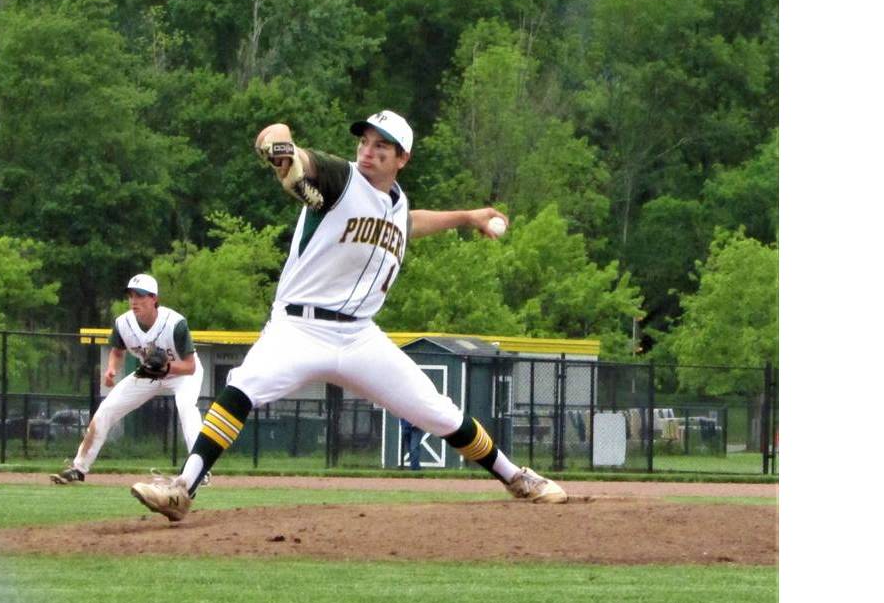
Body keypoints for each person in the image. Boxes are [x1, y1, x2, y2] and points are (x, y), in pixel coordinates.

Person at [130, 109, 565, 521]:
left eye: (382, 146)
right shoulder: (341, 178)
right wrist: (283, 150)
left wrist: (468, 217)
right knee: (241, 387)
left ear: (403, 159)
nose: (368, 151)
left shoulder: (395, 204)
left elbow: (410, 222)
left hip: (360, 337)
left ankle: (516, 477)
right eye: (365, 141)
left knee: (438, 411)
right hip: (299, 327)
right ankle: (183, 489)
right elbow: (286, 144)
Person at [51, 274, 206, 485]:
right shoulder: (123, 323)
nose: (134, 301)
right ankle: (78, 468)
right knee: (106, 409)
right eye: (131, 295)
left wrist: (167, 367)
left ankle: (199, 471)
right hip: (151, 373)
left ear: (154, 298)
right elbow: (117, 351)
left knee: (187, 409)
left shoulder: (175, 323)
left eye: (140, 296)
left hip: (182, 374)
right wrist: (111, 369)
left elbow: (190, 366)